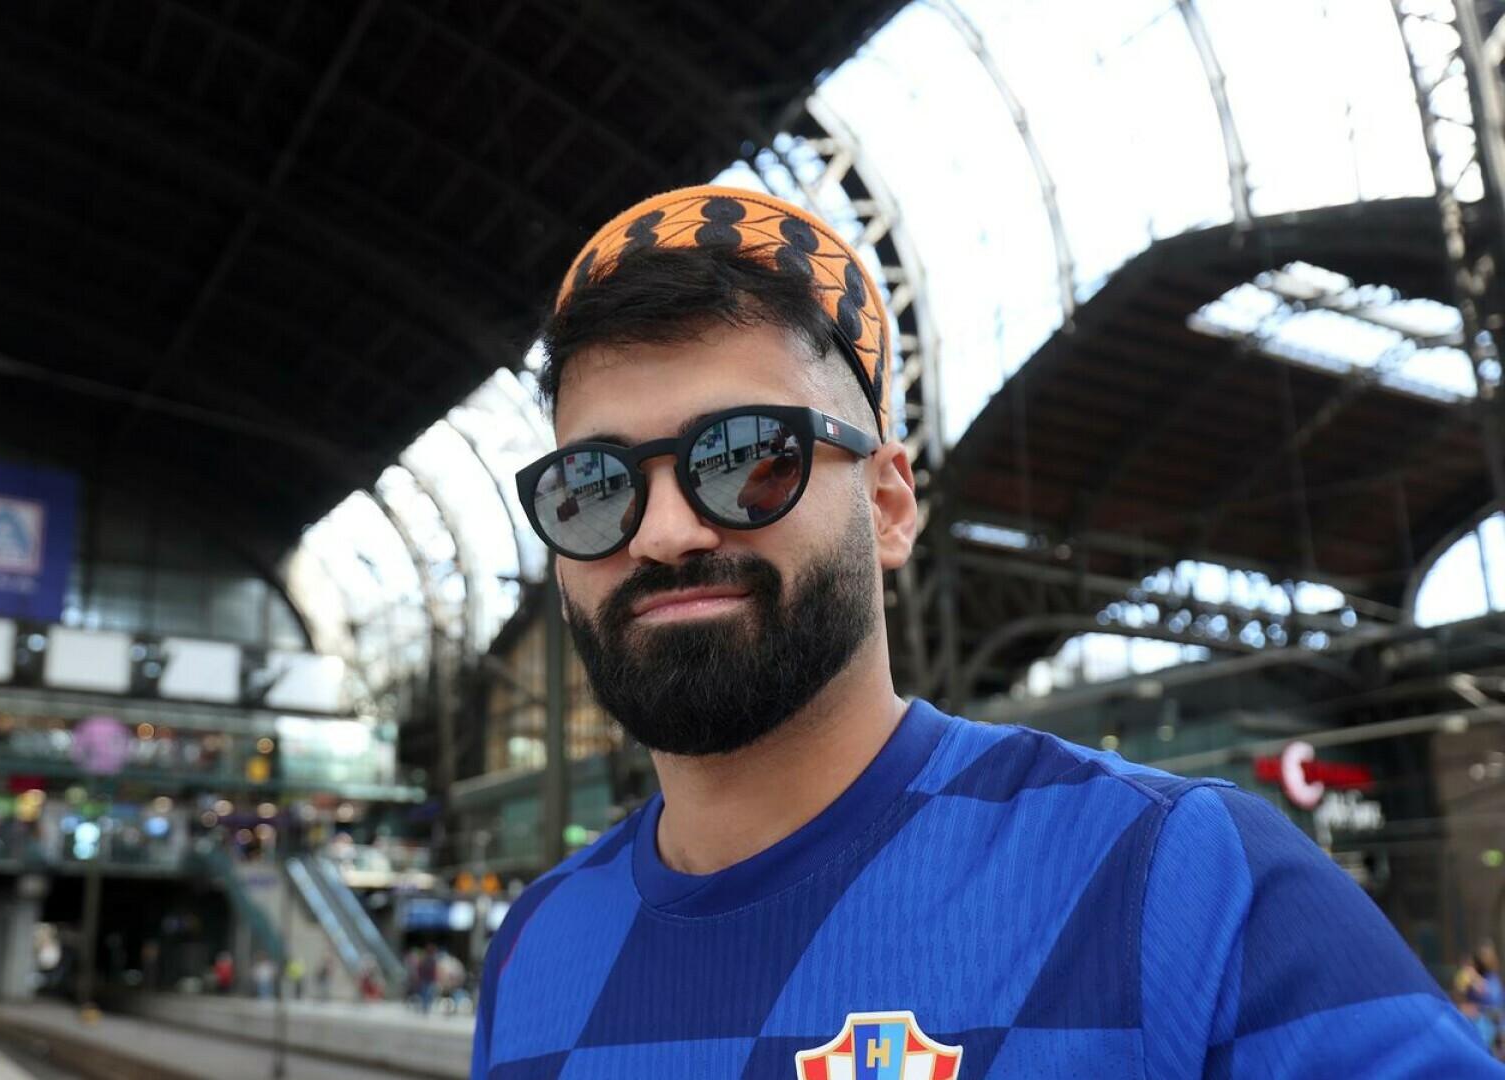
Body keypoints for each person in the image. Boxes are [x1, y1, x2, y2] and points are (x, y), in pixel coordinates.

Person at [474, 185, 1505, 1079]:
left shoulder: (1178, 880)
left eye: (747, 455)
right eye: (593, 486)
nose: (662, 534)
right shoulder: (533, 947)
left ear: (888, 507)